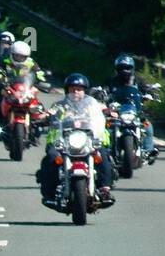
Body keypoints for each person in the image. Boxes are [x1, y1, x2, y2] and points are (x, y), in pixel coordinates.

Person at [39, 73, 114, 207]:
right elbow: (49, 113)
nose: (76, 92)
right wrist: (43, 116)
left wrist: (110, 113)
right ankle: (49, 193)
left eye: (79, 89)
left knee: (102, 155)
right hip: (64, 141)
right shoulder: (59, 105)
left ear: (85, 91)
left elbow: (104, 110)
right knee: (51, 158)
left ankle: (105, 189)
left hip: (88, 139)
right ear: (67, 90)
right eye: (72, 89)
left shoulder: (93, 104)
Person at [105, 53, 158, 163]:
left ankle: (148, 151)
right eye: (122, 68)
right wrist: (101, 93)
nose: (125, 70)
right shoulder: (111, 81)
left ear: (132, 68)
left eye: (127, 67)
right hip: (116, 112)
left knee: (148, 127)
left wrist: (151, 92)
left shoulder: (138, 80)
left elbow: (147, 87)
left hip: (135, 111)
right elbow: (104, 89)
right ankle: (105, 150)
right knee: (105, 127)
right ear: (117, 69)